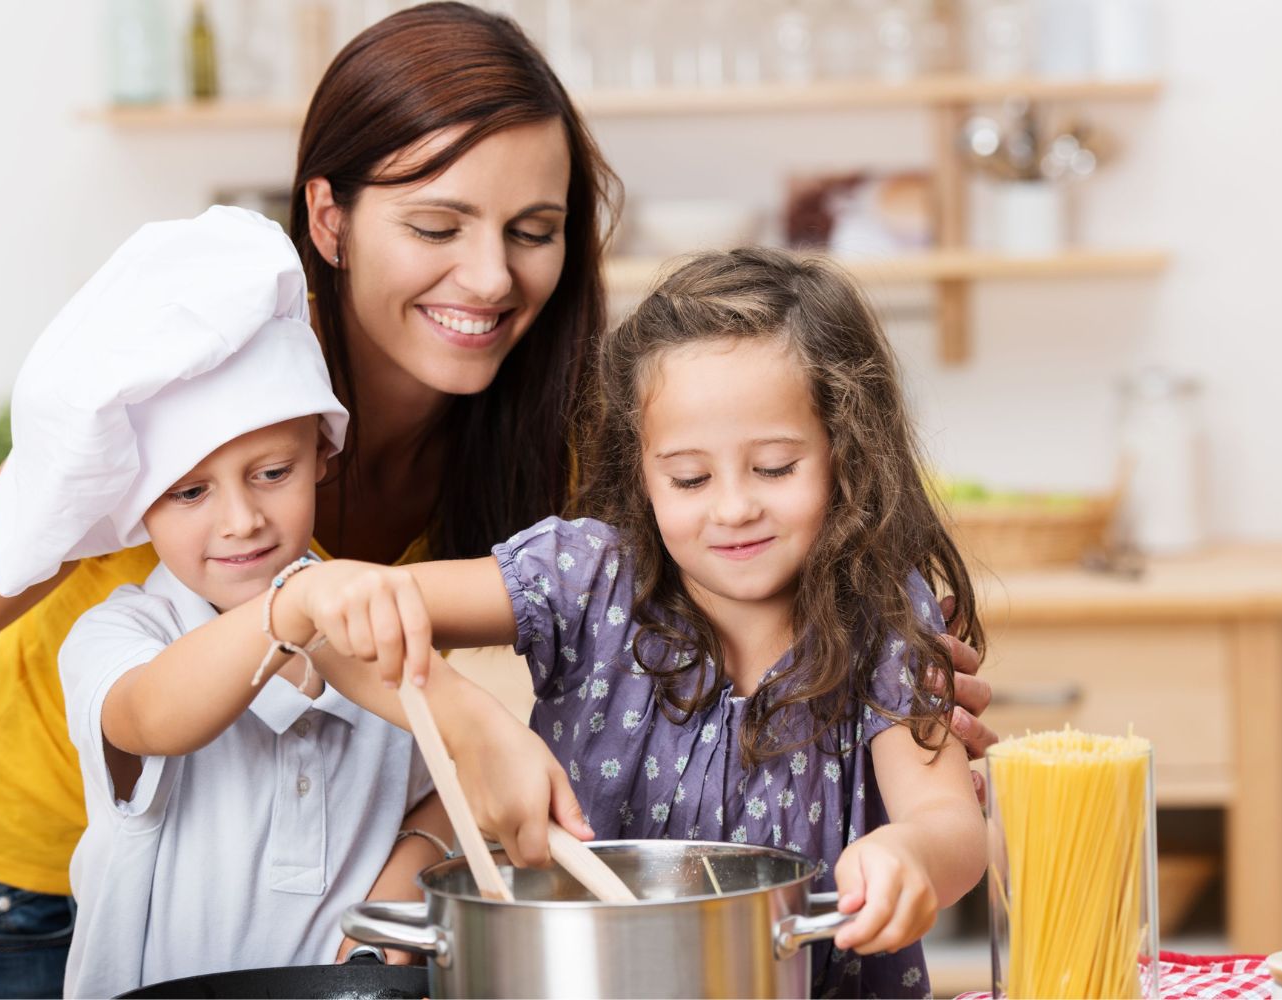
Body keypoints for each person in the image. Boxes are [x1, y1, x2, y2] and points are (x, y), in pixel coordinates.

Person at [0, 4, 993, 997]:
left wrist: (872, 671)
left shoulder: (566, 440)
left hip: (306, 902)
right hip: (27, 866)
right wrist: (464, 721)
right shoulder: (196, 383)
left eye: (532, 230)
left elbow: (713, 606)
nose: (489, 279)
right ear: (326, 217)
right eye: (435, 225)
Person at [304, 248, 990, 999]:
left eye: (774, 467)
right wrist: (469, 722)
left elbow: (951, 824)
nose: (732, 508)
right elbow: (328, 615)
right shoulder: (585, 577)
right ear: (641, 468)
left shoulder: (882, 612)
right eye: (689, 478)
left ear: (846, 453)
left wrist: (911, 856)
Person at [0, 205, 496, 996]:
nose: (241, 519)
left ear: (321, 456)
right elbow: (153, 717)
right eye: (189, 491)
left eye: (272, 472)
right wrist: (296, 606)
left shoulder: (380, 615)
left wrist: (408, 870)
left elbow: (438, 782)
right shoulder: (121, 635)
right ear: (138, 505)